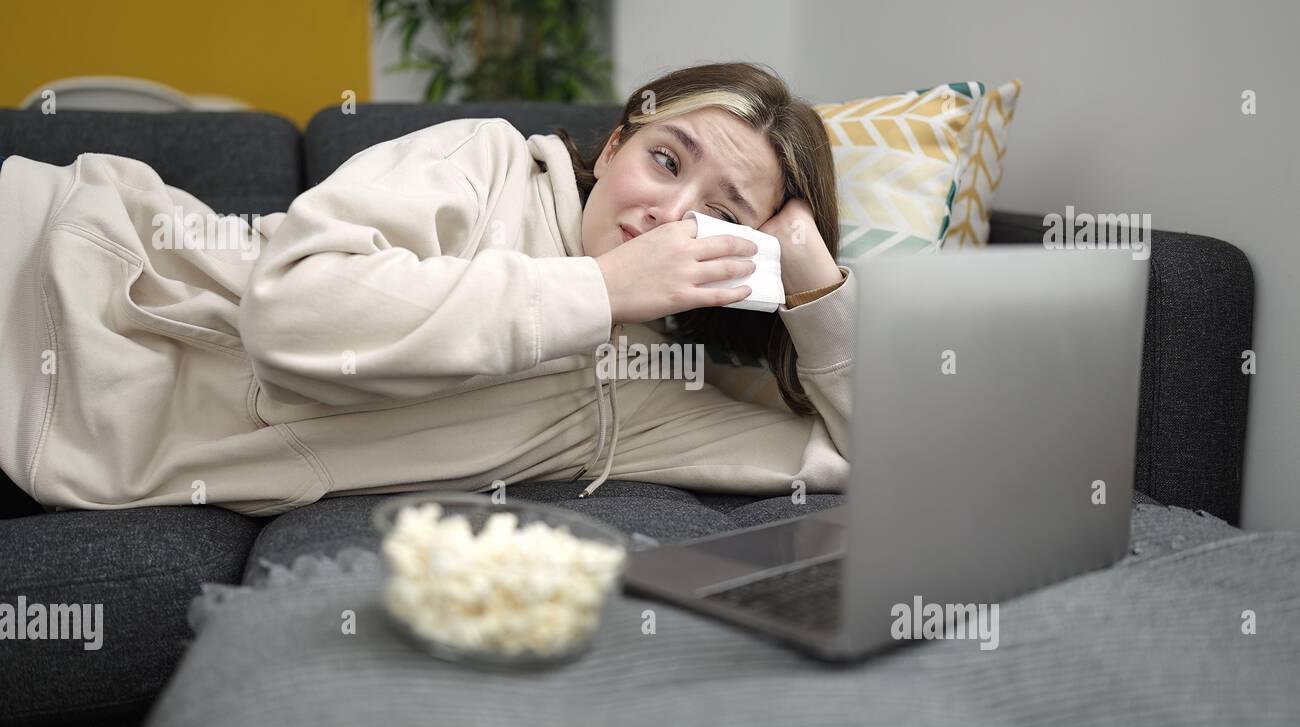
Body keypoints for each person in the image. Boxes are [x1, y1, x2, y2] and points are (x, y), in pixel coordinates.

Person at [0, 61, 854, 518]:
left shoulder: (649, 397)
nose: (665, 213)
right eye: (664, 160)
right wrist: (595, 287)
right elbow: (292, 310)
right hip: (54, 262)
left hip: (58, 431)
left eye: (719, 211)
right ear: (617, 142)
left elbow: (865, 457)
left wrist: (813, 285)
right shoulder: (485, 160)